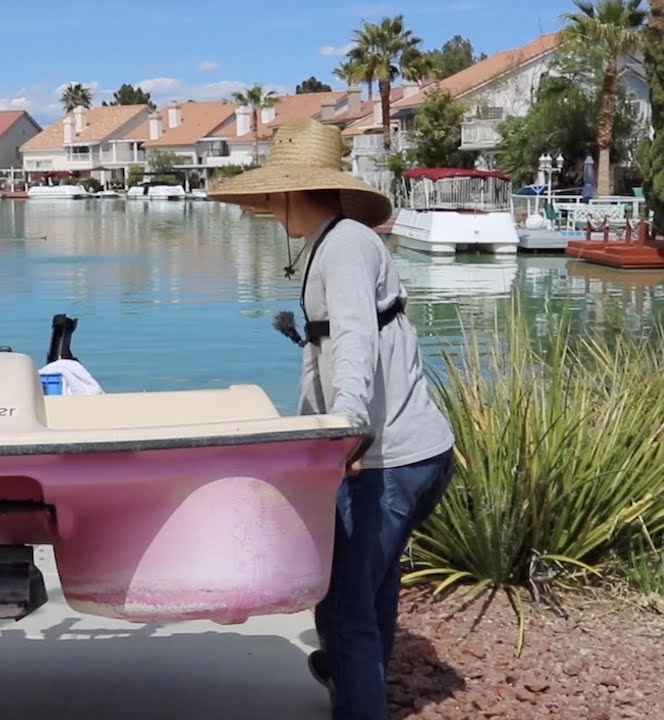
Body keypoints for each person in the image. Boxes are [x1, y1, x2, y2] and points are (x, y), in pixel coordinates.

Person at [210, 118, 456, 720]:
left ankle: (357, 688)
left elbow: (353, 337)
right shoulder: (340, 240)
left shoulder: (343, 246)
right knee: (372, 586)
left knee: (341, 608)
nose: (268, 209)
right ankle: (354, 671)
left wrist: (345, 427)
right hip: (417, 451)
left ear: (293, 191)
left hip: (386, 458)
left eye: (271, 196)